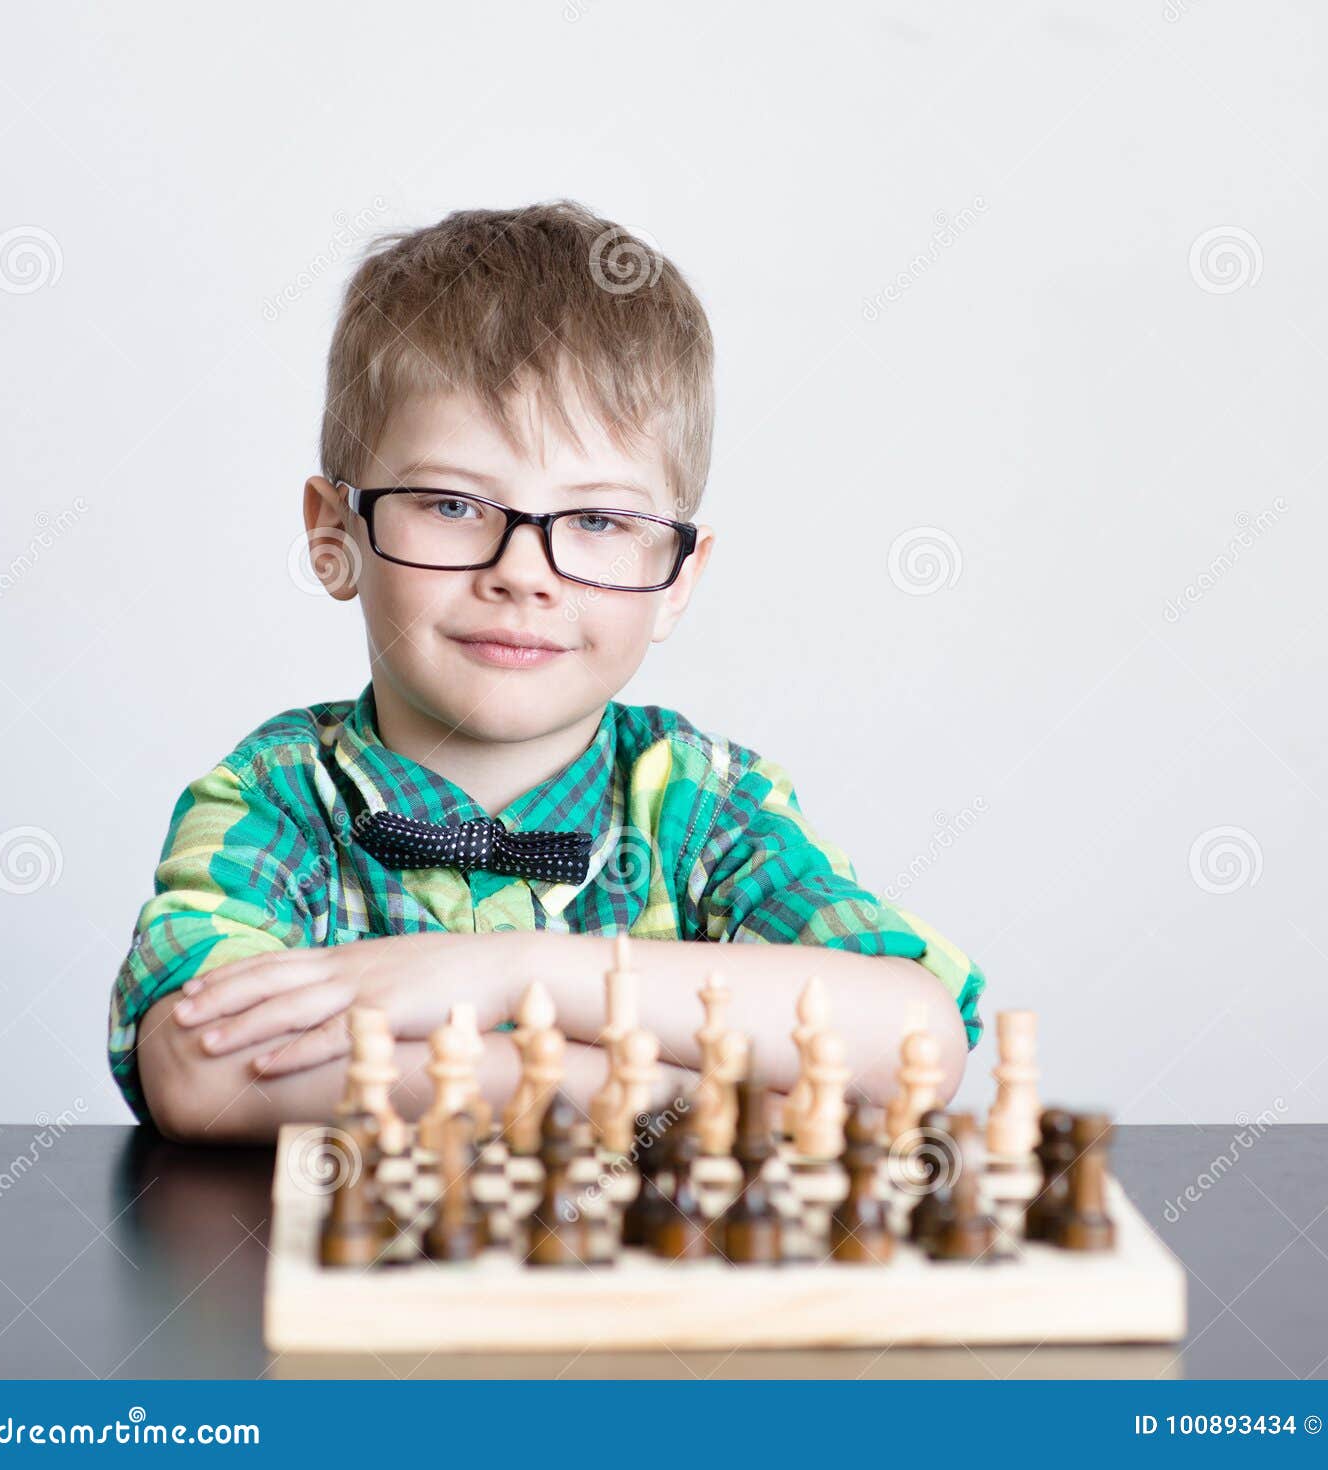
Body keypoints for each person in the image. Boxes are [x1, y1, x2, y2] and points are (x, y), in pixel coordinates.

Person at [110, 201, 985, 1143]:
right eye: (450, 504)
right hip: (373, 1287)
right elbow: (200, 1071)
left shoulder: (702, 803)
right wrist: (659, 1097)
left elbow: (918, 1039)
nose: (521, 573)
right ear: (334, 534)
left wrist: (508, 976)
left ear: (678, 576)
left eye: (601, 522)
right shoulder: (276, 795)